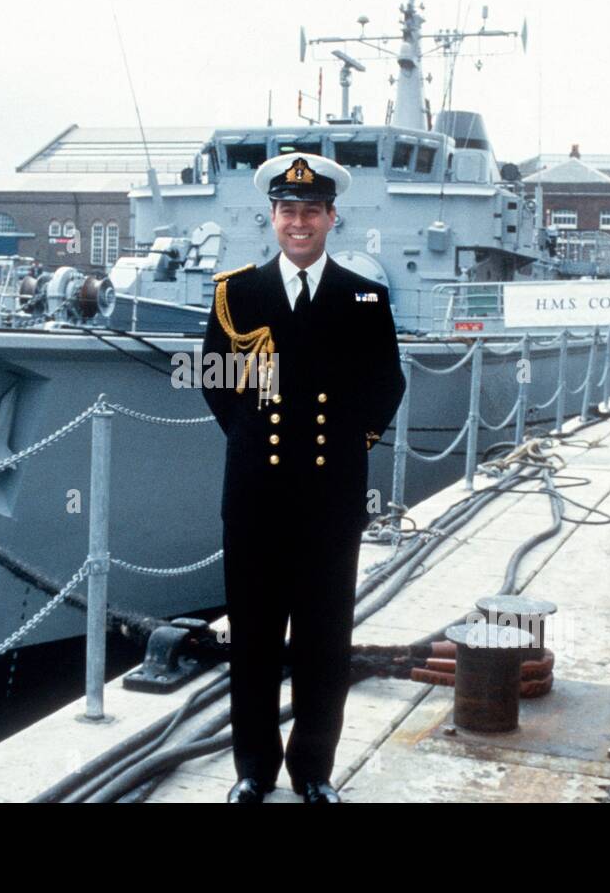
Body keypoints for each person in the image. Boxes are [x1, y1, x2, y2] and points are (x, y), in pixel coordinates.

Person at [200, 151, 406, 803]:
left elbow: (385, 385)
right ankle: (253, 770)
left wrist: (347, 444)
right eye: (288, 211)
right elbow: (217, 383)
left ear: (330, 217)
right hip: (257, 494)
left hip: (329, 495)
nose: (298, 222)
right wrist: (255, 439)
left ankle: (313, 770)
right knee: (254, 638)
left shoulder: (363, 296)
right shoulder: (238, 293)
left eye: (310, 211)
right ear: (273, 216)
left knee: (323, 641)